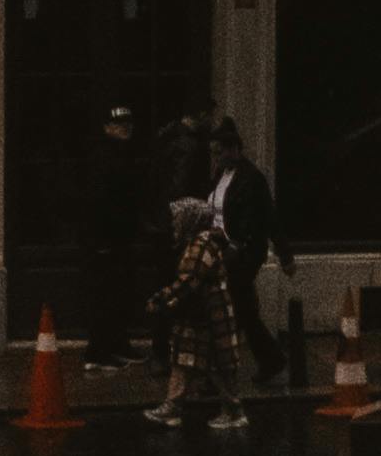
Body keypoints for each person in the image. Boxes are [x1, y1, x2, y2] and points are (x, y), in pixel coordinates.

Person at [156, 184, 251, 431]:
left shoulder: (199, 246)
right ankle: (173, 406)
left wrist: (161, 299)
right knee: (186, 360)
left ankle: (233, 411)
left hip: (209, 315)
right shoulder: (204, 241)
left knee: (212, 365)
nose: (174, 224)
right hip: (203, 312)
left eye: (178, 219)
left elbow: (188, 281)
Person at [203, 111, 290, 371]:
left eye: (219, 152)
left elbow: (268, 217)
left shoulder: (251, 178)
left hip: (242, 252)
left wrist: (285, 254)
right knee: (243, 311)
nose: (215, 158)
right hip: (221, 249)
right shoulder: (220, 175)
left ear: (234, 149)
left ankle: (216, 370)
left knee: (227, 310)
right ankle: (270, 360)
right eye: (213, 153)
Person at [82, 101, 154, 372]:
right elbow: (98, 201)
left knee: (120, 293)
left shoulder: (123, 155)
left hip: (120, 238)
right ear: (106, 128)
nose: (125, 128)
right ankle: (99, 351)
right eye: (118, 124)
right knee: (104, 296)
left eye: (128, 124)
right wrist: (100, 240)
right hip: (105, 240)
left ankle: (117, 344)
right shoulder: (102, 157)